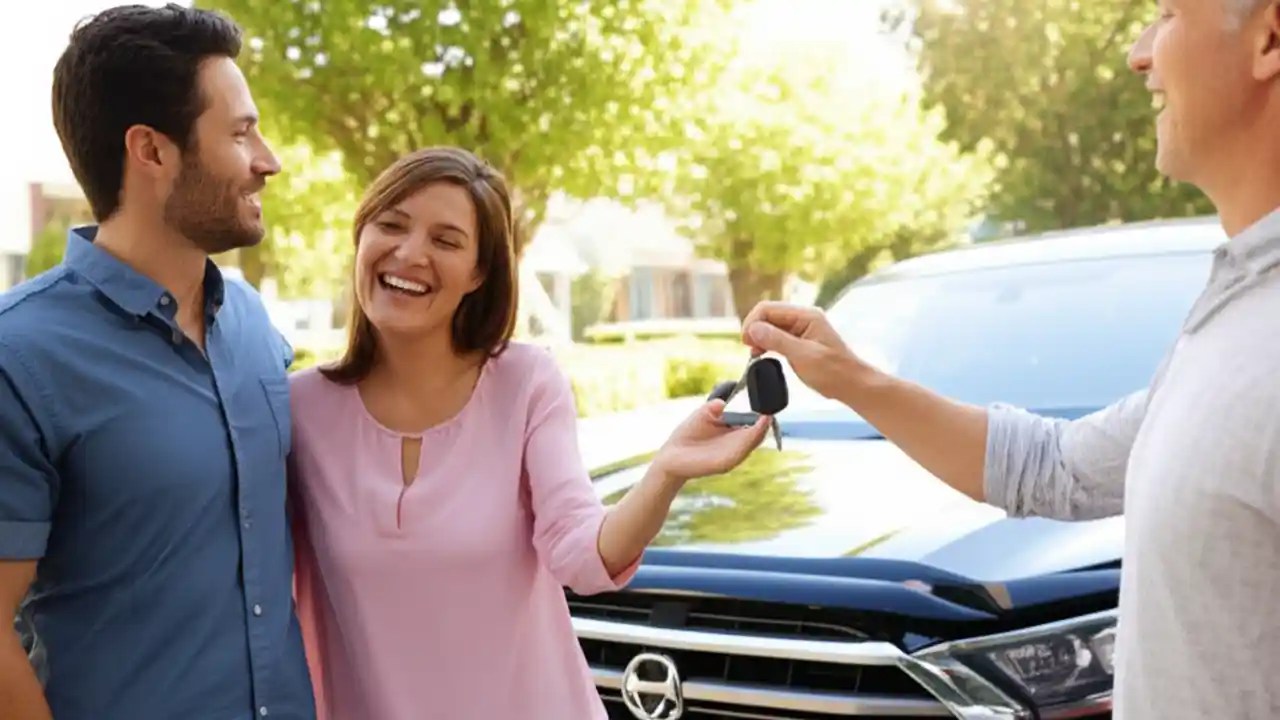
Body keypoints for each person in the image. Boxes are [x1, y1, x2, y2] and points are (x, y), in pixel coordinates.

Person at [740, 3, 1280, 719]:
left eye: (1170, 14)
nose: (1139, 53)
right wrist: (847, 377)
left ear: (1269, 38)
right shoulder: (1230, 311)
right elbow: (1054, 467)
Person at [287, 146, 771, 719]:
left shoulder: (526, 383)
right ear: (360, 236)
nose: (411, 253)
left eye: (446, 240)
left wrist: (665, 472)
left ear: (479, 272)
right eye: (391, 225)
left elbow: (581, 551)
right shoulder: (299, 409)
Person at [0, 5, 315, 720]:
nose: (268, 160)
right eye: (240, 133)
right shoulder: (19, 359)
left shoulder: (254, 327)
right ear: (151, 151)